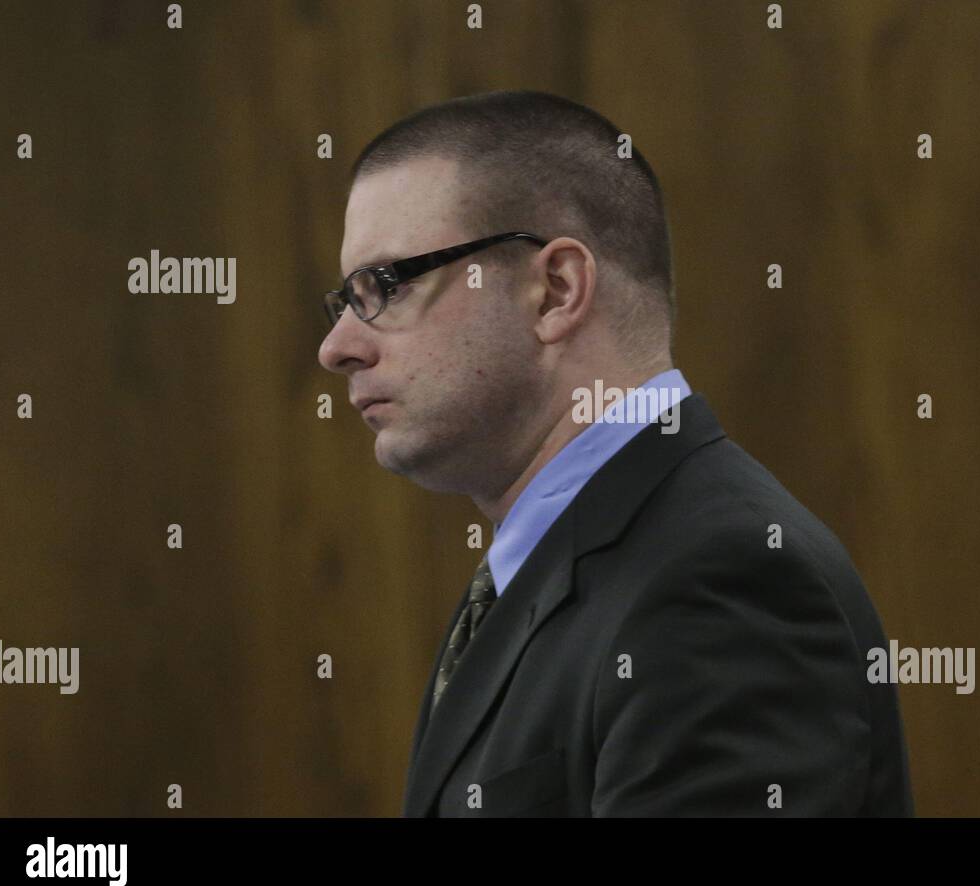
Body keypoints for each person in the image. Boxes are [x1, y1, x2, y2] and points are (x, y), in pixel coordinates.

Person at [318, 89, 913, 817]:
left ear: (556, 290)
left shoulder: (722, 578)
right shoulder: (546, 568)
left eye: (384, 285)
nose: (337, 347)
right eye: (343, 301)